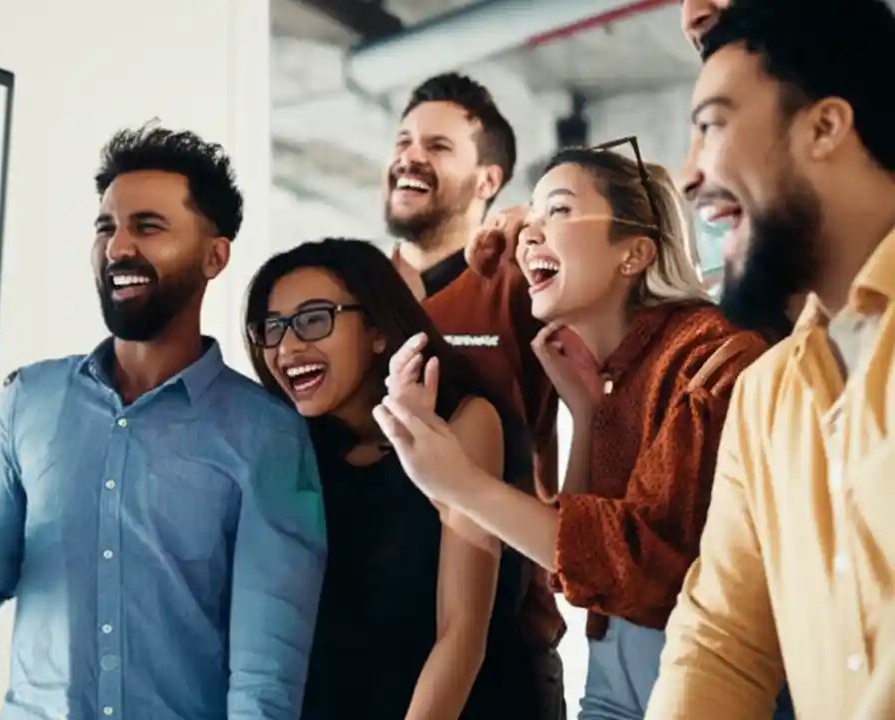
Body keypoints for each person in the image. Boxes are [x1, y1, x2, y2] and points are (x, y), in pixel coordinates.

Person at [0, 125, 328, 720]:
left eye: (147, 227)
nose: (117, 248)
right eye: (106, 227)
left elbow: (265, 679)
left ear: (214, 255)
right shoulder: (28, 399)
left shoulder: (268, 436)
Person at [373, 140, 771, 719]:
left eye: (557, 210)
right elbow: (581, 570)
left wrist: (462, 483)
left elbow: (640, 568)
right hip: (617, 680)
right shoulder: (618, 374)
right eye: (529, 217)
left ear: (634, 254)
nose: (528, 234)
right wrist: (585, 418)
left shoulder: (705, 359)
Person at [645, 0, 895, 717]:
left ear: (824, 126)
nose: (689, 177)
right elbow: (720, 642)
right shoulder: (765, 394)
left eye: (711, 126)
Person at [243, 238, 542, 719]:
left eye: (314, 319)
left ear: (378, 330)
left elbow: (462, 634)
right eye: (273, 329)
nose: (288, 347)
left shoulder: (461, 422)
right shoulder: (288, 446)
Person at [384, 71, 566, 717]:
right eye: (404, 140)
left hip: (508, 634)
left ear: (488, 181)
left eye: (438, 146)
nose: (409, 156)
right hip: (381, 634)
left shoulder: (522, 281)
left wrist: (541, 226)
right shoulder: (358, 294)